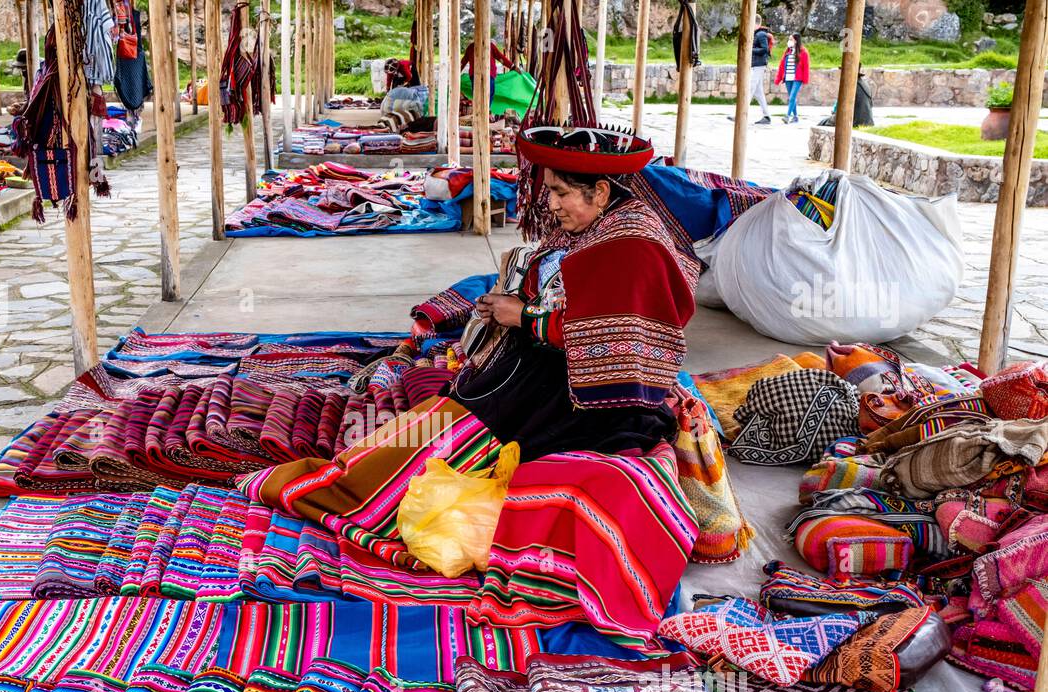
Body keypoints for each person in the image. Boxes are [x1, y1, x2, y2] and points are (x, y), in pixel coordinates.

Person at [240, 127, 699, 561]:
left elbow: (615, 339)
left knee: (436, 442)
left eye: (561, 192)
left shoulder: (631, 246)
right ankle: (351, 474)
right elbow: (569, 299)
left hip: (580, 404)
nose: (551, 204)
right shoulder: (599, 226)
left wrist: (522, 316)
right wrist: (515, 303)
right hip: (539, 379)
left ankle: (341, 487)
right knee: (428, 424)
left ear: (599, 192)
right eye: (550, 191)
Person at [775, 33, 810, 124]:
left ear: (796, 41)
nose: (789, 41)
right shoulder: (787, 52)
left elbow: (806, 67)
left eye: (791, 39)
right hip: (788, 78)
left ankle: (787, 116)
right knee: (792, 98)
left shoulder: (803, 52)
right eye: (789, 39)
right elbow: (782, 66)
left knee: (792, 97)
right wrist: (778, 79)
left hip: (797, 79)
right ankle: (795, 117)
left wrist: (805, 79)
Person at [750, 16, 774, 125]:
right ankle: (767, 116)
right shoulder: (757, 34)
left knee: (749, 88)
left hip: (759, 65)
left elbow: (765, 49)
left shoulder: (760, 34)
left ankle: (740, 113)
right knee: (758, 93)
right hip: (756, 64)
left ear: (756, 24)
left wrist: (750, 49)